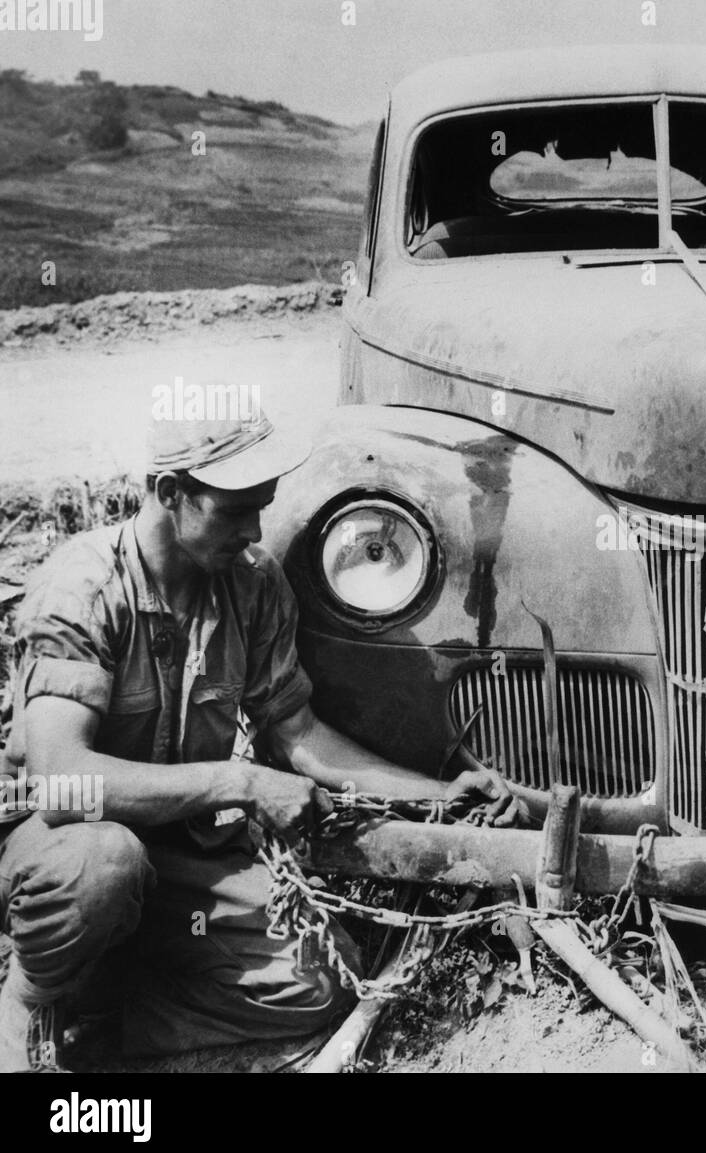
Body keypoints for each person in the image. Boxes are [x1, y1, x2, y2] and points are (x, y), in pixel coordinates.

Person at [0, 410, 522, 1071]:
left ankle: (102, 1009)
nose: (253, 531)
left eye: (262, 509)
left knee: (314, 983)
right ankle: (29, 998)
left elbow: (300, 732)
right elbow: (59, 783)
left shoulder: (251, 584)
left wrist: (441, 794)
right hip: (55, 844)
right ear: (169, 493)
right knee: (105, 866)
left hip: (179, 846)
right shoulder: (84, 588)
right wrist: (239, 783)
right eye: (235, 511)